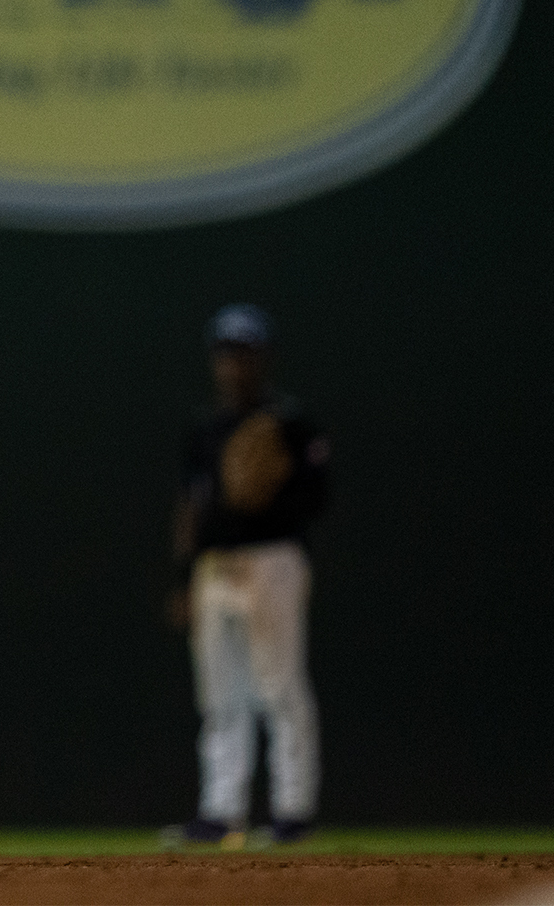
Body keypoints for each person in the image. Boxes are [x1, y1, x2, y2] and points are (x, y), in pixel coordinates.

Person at [167, 304, 330, 848]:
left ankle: (292, 811)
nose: (234, 364)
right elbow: (191, 507)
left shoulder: (291, 424)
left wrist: (267, 496)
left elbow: (318, 498)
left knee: (280, 688)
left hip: (272, 561)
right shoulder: (206, 428)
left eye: (245, 353)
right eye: (227, 353)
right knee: (219, 697)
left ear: (263, 359)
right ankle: (221, 812)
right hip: (215, 569)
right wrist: (182, 577)